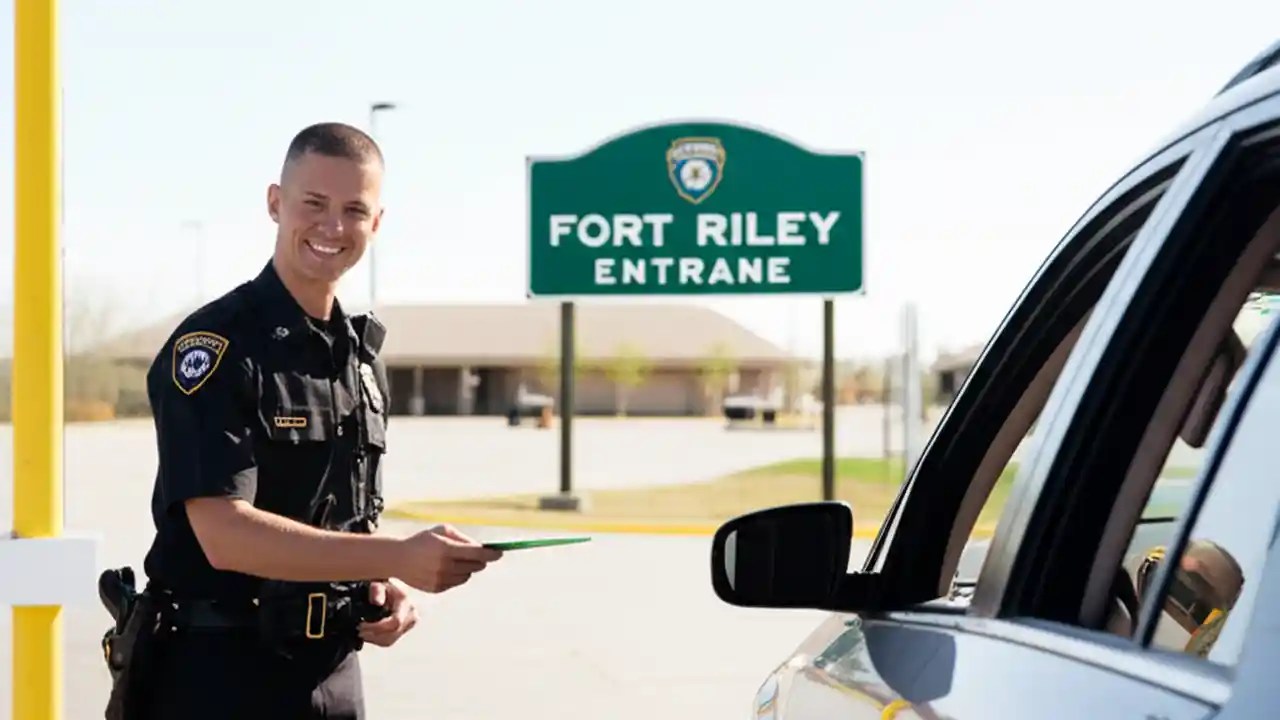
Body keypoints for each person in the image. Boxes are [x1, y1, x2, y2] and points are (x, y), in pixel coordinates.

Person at [99, 122, 504, 719]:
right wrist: (392, 556)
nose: (332, 227)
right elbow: (224, 534)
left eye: (354, 210)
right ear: (275, 203)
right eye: (313, 203)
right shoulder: (217, 346)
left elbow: (341, 521)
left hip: (332, 674)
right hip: (217, 678)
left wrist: (377, 585)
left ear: (377, 223)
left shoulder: (358, 359)